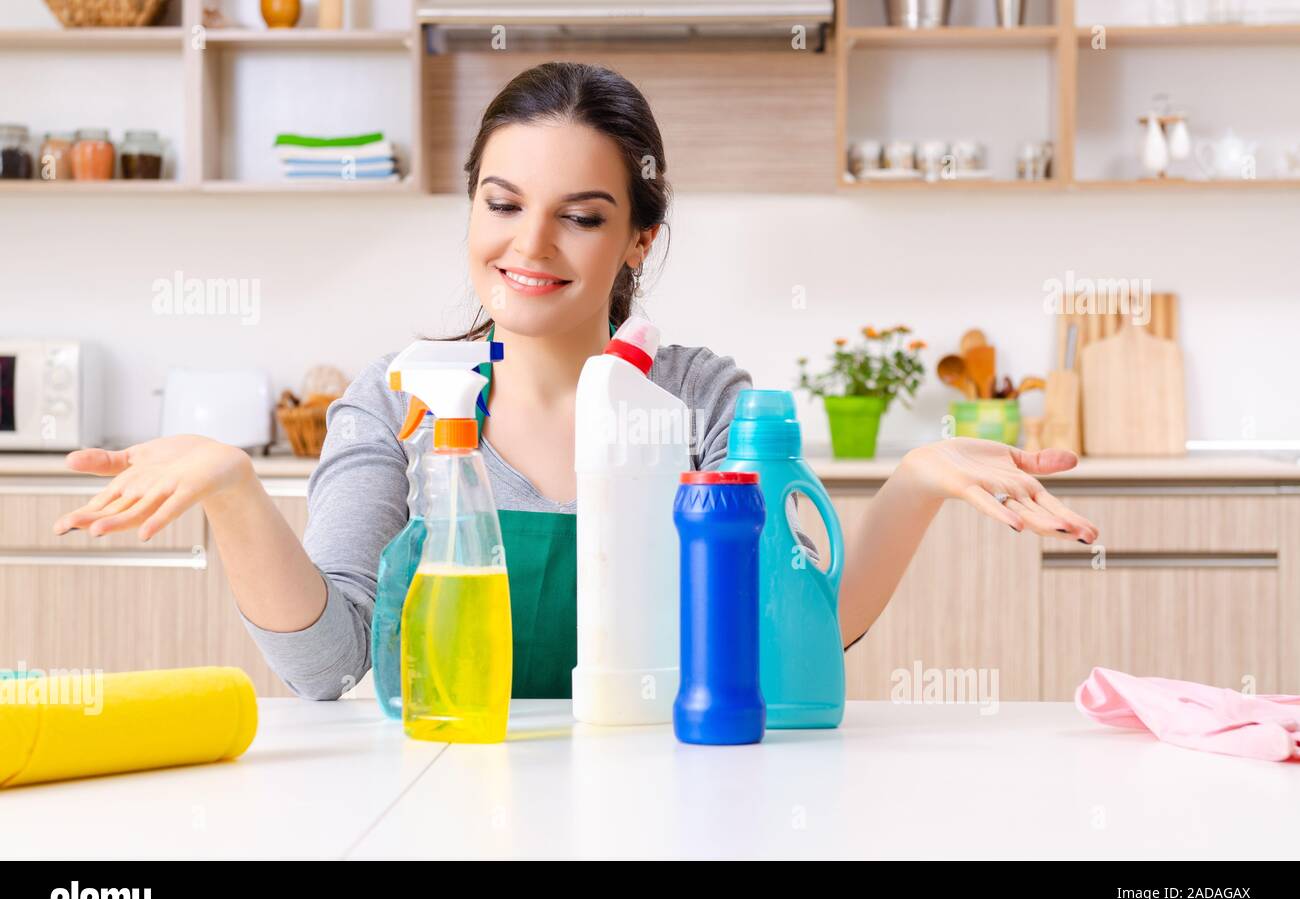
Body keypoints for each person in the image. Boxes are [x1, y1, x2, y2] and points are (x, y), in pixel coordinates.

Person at [51, 62, 1099, 701]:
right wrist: (235, 490)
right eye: (500, 203)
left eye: (582, 215)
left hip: (671, 790)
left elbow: (788, 634)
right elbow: (325, 667)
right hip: (449, 792)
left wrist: (912, 485)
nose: (529, 244)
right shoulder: (403, 400)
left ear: (638, 238)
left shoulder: (698, 400)